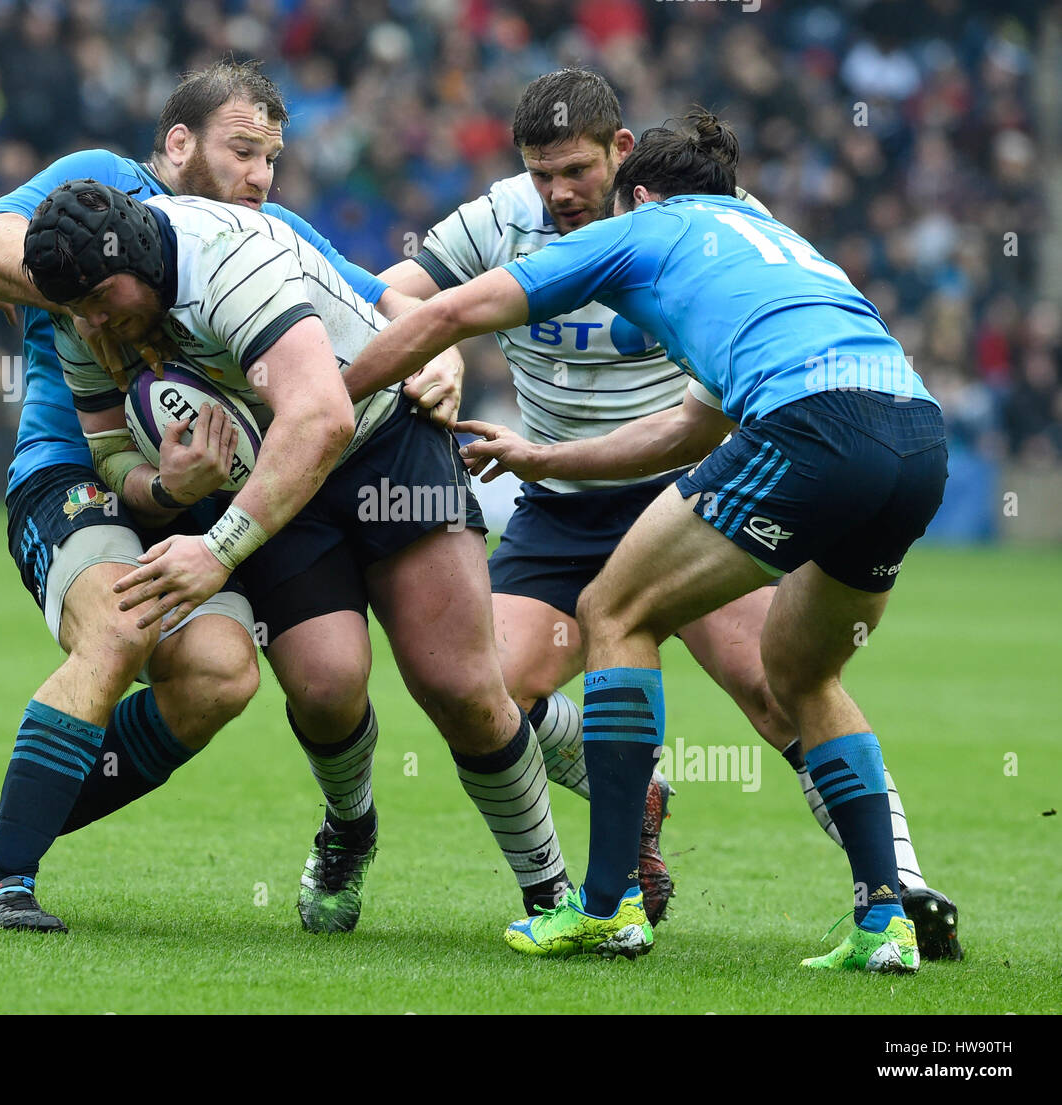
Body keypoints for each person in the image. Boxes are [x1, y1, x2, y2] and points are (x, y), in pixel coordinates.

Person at [368, 69, 959, 956]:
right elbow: (404, 290)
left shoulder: (665, 216)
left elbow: (688, 423)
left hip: (725, 470)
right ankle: (874, 913)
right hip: (885, 438)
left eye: (576, 169)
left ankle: (631, 900)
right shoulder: (519, 218)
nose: (559, 192)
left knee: (725, 664)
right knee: (484, 686)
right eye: (541, 173)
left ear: (625, 159)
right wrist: (486, 405)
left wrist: (328, 399)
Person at [0, 62, 464, 931]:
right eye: (243, 151)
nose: (261, 175)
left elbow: (381, 299)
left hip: (197, 499)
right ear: (179, 143)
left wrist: (438, 353)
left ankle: (20, 824)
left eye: (272, 157)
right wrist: (95, 289)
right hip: (74, 474)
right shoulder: (102, 187)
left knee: (222, 678)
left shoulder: (259, 230)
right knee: (119, 625)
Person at [24, 177, 572, 935]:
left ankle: (551, 892)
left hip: (384, 438)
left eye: (99, 296)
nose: (91, 318)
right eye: (73, 307)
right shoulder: (82, 322)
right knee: (325, 684)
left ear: (141, 258)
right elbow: (111, 450)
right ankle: (350, 827)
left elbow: (322, 417)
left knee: (462, 686)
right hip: (273, 484)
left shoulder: (223, 261)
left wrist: (217, 550)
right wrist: (160, 484)